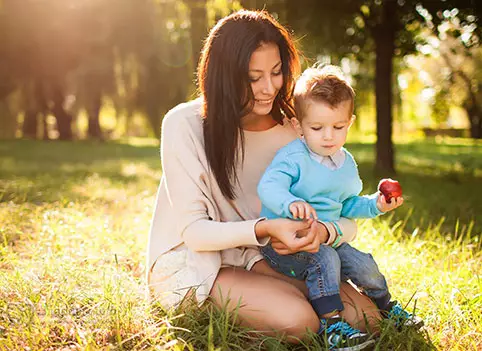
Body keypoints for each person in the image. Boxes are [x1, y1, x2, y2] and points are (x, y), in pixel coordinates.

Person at [147, 10, 381, 350]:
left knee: (367, 318)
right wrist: (265, 229)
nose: (268, 88)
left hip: (265, 257)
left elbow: (343, 212)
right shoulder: (184, 124)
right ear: (224, 75)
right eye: (253, 77)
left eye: (276, 72)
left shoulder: (296, 129)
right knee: (298, 321)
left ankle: (284, 303)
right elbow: (195, 232)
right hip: (201, 261)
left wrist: (324, 231)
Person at [257, 65, 424, 335]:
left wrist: (376, 205)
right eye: (317, 127)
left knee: (365, 266)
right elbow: (268, 187)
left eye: (338, 127)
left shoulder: (345, 163)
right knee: (325, 261)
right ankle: (332, 325)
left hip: (329, 238)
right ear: (299, 126)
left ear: (350, 123)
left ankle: (387, 306)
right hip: (286, 245)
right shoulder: (293, 157)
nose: (328, 136)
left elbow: (347, 204)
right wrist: (289, 203)